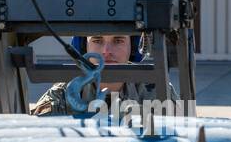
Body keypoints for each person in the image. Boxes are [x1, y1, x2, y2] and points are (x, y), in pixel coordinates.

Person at [30, 34, 177, 116]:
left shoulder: (159, 91)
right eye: (97, 40)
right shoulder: (63, 94)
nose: (106, 51)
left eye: (118, 40)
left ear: (133, 47)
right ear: (84, 47)